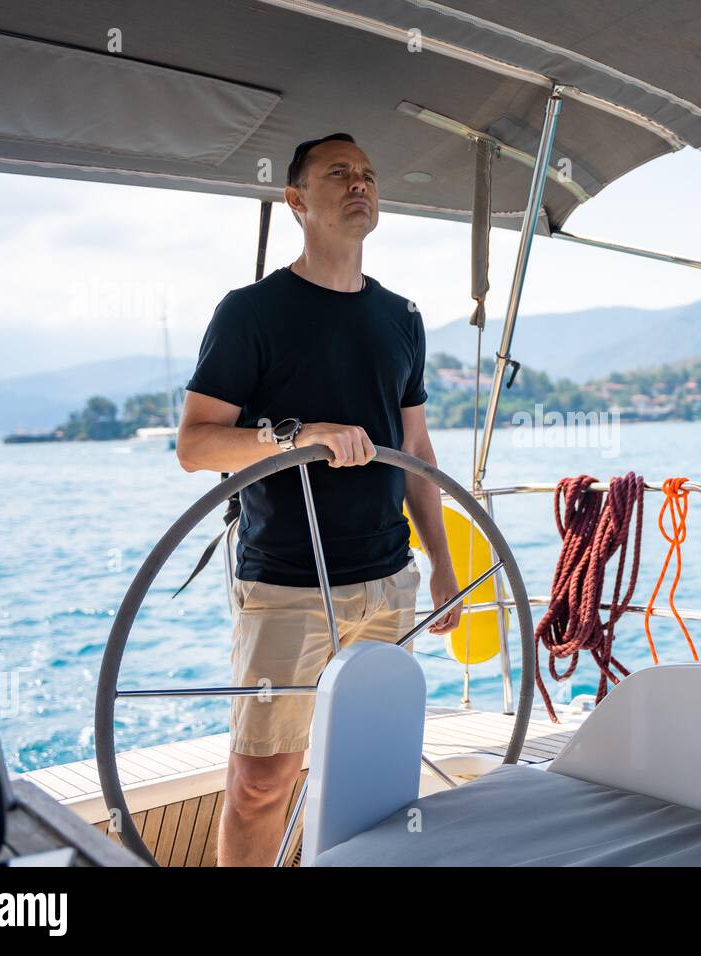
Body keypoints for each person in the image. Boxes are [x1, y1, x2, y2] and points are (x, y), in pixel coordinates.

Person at [176, 132, 461, 866]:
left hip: (388, 581)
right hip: (286, 586)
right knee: (262, 783)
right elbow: (198, 444)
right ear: (297, 200)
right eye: (339, 174)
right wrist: (299, 435)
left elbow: (418, 453)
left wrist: (443, 564)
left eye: (368, 174)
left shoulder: (402, 317)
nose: (359, 183)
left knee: (374, 775)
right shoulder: (250, 312)